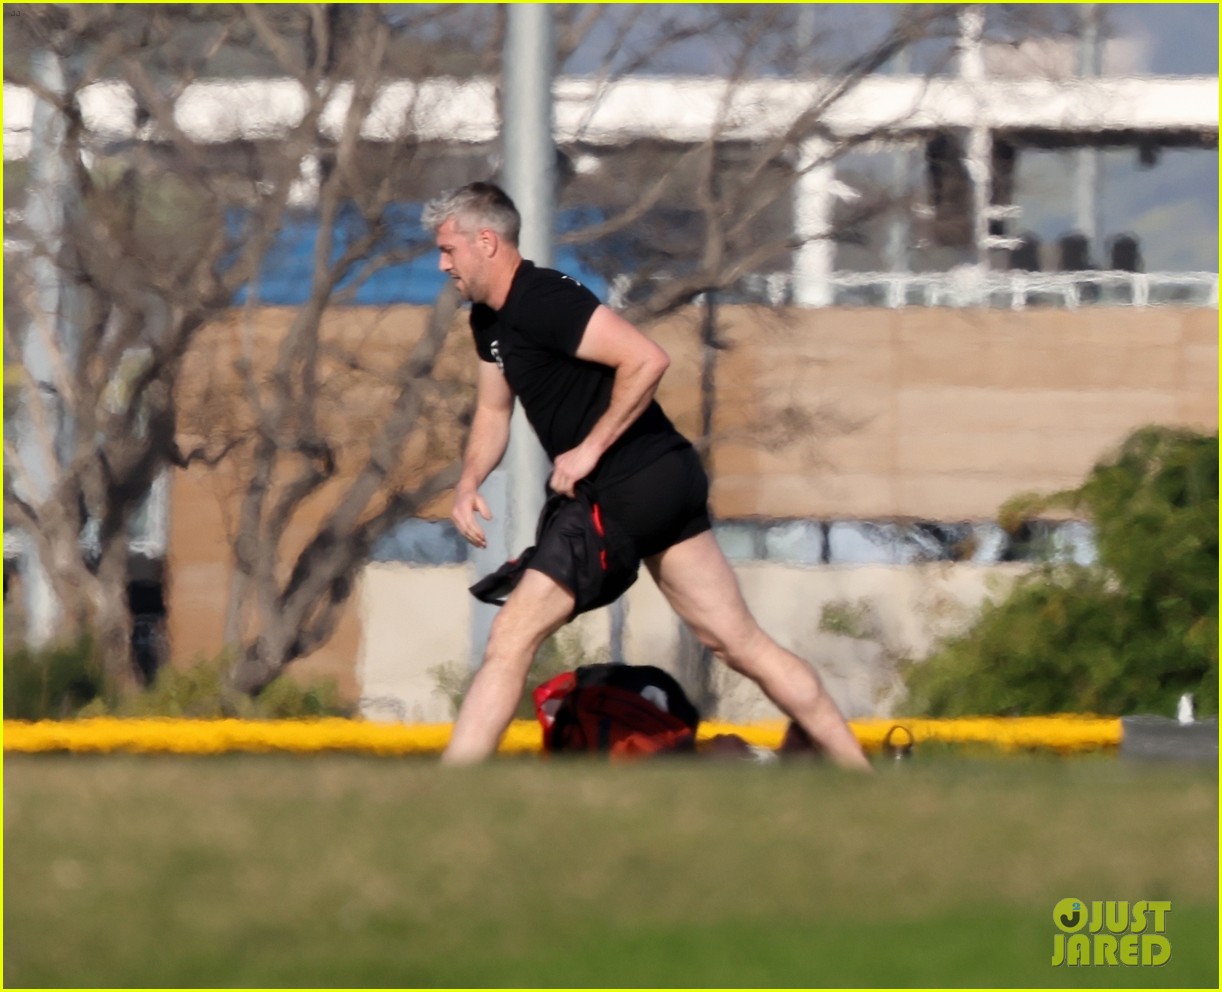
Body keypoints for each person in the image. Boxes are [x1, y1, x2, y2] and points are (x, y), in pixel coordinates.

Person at [423, 181, 870, 770]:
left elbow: (646, 359)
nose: (442, 263)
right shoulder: (488, 320)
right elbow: (492, 409)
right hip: (662, 478)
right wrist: (468, 481)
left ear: (487, 241)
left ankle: (450, 790)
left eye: (449, 249)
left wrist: (587, 450)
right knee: (737, 643)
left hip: (624, 485)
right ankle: (860, 774)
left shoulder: (544, 298)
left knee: (511, 636)